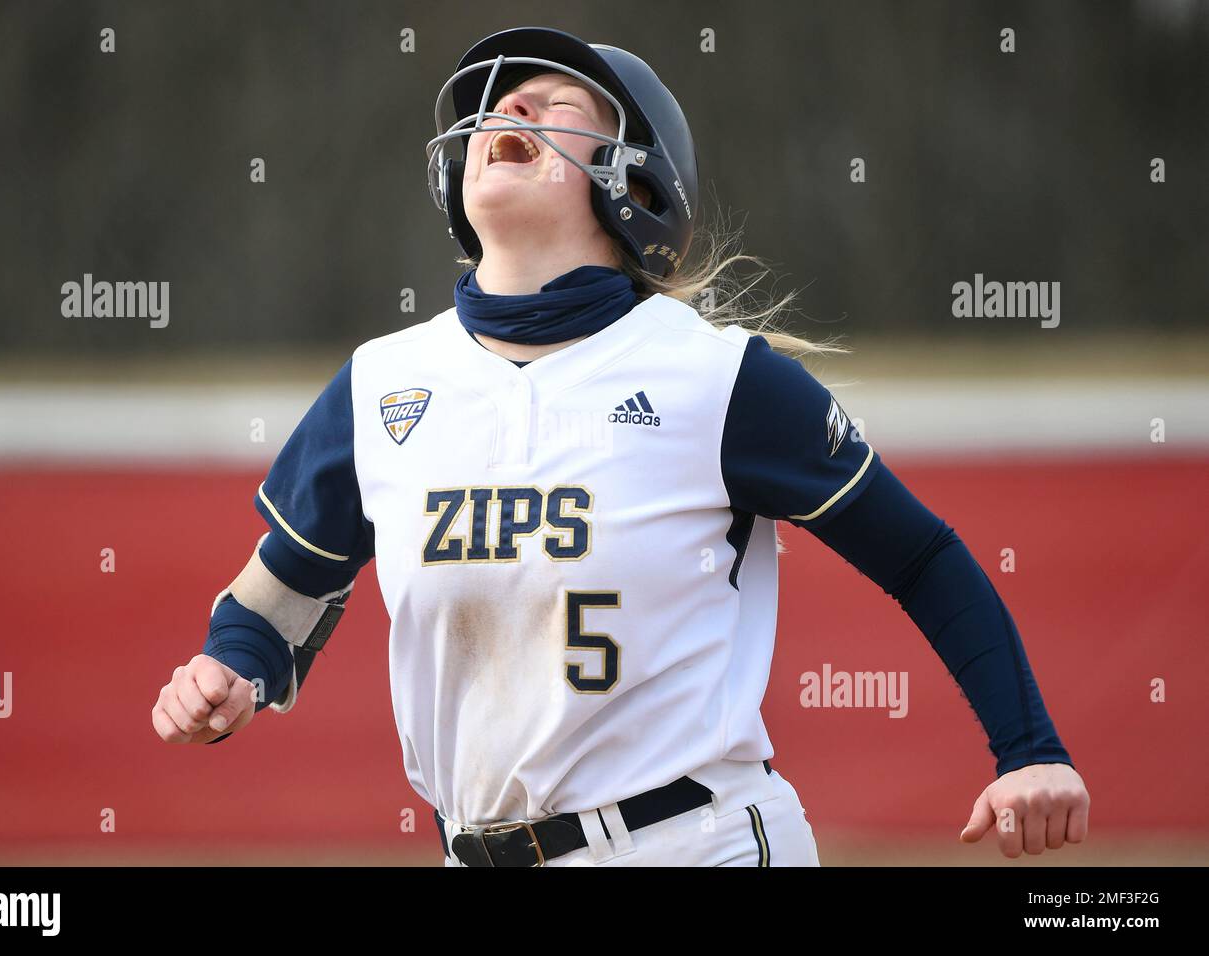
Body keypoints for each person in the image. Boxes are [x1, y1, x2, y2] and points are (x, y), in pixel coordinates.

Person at [151, 27, 1089, 867]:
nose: (505, 108)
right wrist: (228, 669)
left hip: (692, 845)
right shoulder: (381, 383)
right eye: (489, 104)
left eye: (553, 101)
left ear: (634, 180)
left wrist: (1031, 751)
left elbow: (921, 555)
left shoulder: (716, 379)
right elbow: (272, 603)